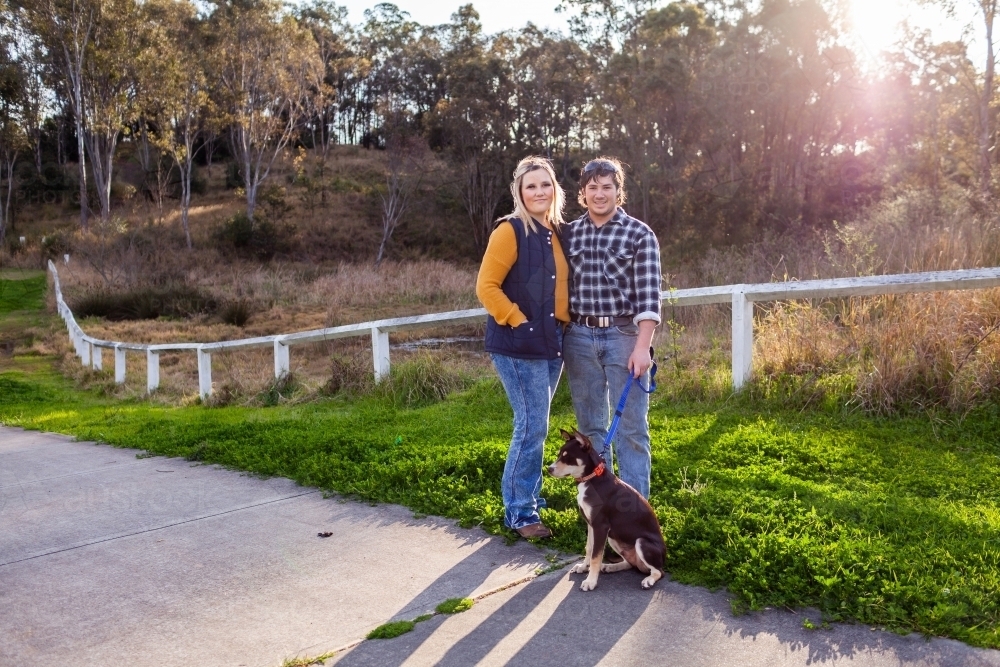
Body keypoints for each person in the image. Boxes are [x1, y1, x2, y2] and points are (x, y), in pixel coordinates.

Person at [476, 156, 569, 539]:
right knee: (531, 425)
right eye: (530, 186)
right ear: (519, 191)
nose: (539, 192)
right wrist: (518, 321)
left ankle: (531, 498)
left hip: (553, 341)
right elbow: (486, 288)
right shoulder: (511, 230)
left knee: (538, 426)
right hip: (518, 344)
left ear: (554, 189)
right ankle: (519, 513)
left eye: (544, 184)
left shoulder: (557, 231)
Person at [561, 157, 662, 499]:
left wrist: (642, 347)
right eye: (593, 188)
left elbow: (649, 297)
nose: (600, 194)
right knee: (590, 429)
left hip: (624, 337)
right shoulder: (568, 234)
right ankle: (602, 506)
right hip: (578, 338)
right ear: (582, 194)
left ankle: (635, 511)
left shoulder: (639, 234)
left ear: (619, 192)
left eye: (607, 187)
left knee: (631, 430)